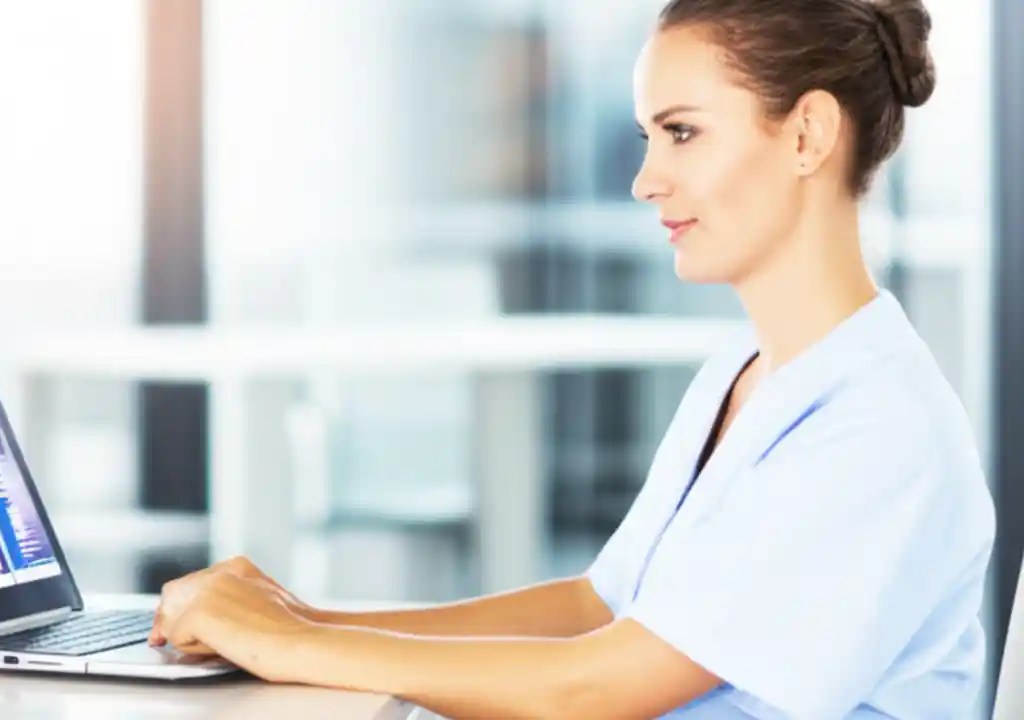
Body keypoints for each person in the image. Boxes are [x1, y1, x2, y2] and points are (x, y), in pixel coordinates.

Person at [146, 0, 996, 716]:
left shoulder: (880, 430)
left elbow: (602, 684)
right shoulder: (740, 378)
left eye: (683, 133)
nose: (645, 179)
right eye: (647, 138)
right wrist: (309, 622)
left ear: (807, 134)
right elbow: (599, 608)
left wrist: (292, 644)